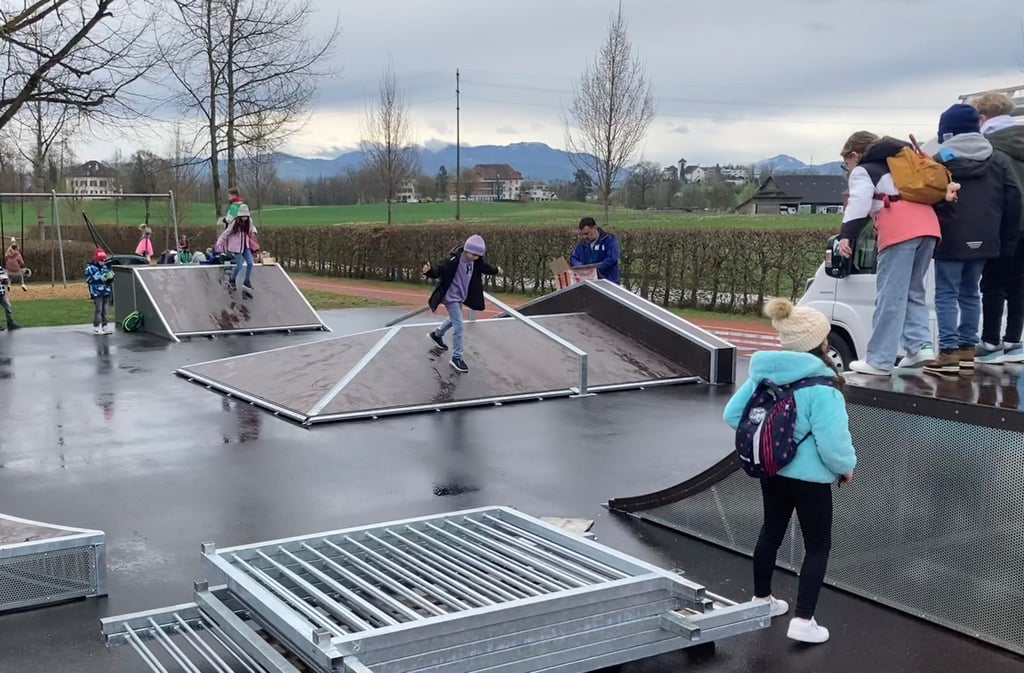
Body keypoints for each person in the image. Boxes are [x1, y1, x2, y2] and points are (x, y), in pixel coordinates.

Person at [723, 298, 856, 645]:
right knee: (817, 547)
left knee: (771, 533)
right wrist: (846, 468)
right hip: (811, 481)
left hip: (772, 470)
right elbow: (834, 444)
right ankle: (803, 619)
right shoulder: (823, 388)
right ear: (820, 343)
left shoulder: (763, 375)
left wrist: (773, 440)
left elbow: (733, 415)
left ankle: (762, 600)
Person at [923, 104, 1021, 375]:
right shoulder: (998, 159)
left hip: (950, 237)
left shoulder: (938, 159)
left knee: (946, 293)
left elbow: (927, 196)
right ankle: (968, 350)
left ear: (948, 131)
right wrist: (1005, 239)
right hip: (986, 238)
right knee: (970, 292)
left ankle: (948, 353)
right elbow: (1013, 198)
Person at [837, 131, 945, 376]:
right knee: (914, 290)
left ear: (854, 155)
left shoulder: (864, 170)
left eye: (846, 163)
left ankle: (879, 359)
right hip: (929, 227)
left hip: (899, 230)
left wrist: (846, 234)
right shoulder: (899, 165)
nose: (848, 168)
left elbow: (859, 203)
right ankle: (919, 347)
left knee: (890, 295)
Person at [970, 92, 1024, 364]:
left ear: (982, 117)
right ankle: (1015, 340)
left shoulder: (987, 146)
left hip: (1003, 223)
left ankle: (991, 341)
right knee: (1018, 283)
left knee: (993, 282)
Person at [423, 234, 502, 374]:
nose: (475, 258)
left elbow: (485, 267)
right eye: (473, 255)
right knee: (459, 326)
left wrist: (496, 270)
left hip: (460, 296)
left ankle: (437, 334)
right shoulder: (454, 260)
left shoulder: (476, 261)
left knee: (453, 320)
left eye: (478, 256)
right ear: (466, 250)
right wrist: (430, 271)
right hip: (450, 297)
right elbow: (440, 268)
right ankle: (456, 357)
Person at [215, 203, 258, 293]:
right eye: (243, 216)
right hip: (236, 248)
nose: (244, 218)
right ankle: (232, 280)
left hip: (245, 246)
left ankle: (246, 281)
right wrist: (219, 244)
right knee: (239, 265)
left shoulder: (249, 221)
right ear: (239, 216)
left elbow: (251, 229)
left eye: (246, 216)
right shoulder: (235, 223)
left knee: (250, 263)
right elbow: (226, 233)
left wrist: (254, 232)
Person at [569, 217, 621, 284]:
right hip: (589, 284)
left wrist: (594, 269)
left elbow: (612, 258)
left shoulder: (609, 240)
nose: (584, 237)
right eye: (582, 234)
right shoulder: (582, 244)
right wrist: (581, 267)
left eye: (586, 233)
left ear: (594, 228)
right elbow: (573, 258)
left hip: (609, 283)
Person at [85, 248, 115, 335]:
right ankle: (96, 327)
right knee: (99, 309)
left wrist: (110, 277)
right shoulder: (90, 268)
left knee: (105, 310)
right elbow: (89, 279)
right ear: (97, 259)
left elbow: (110, 277)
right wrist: (99, 277)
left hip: (106, 291)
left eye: (104, 259)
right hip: (97, 292)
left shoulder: (105, 267)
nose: (103, 261)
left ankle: (105, 326)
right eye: (101, 260)